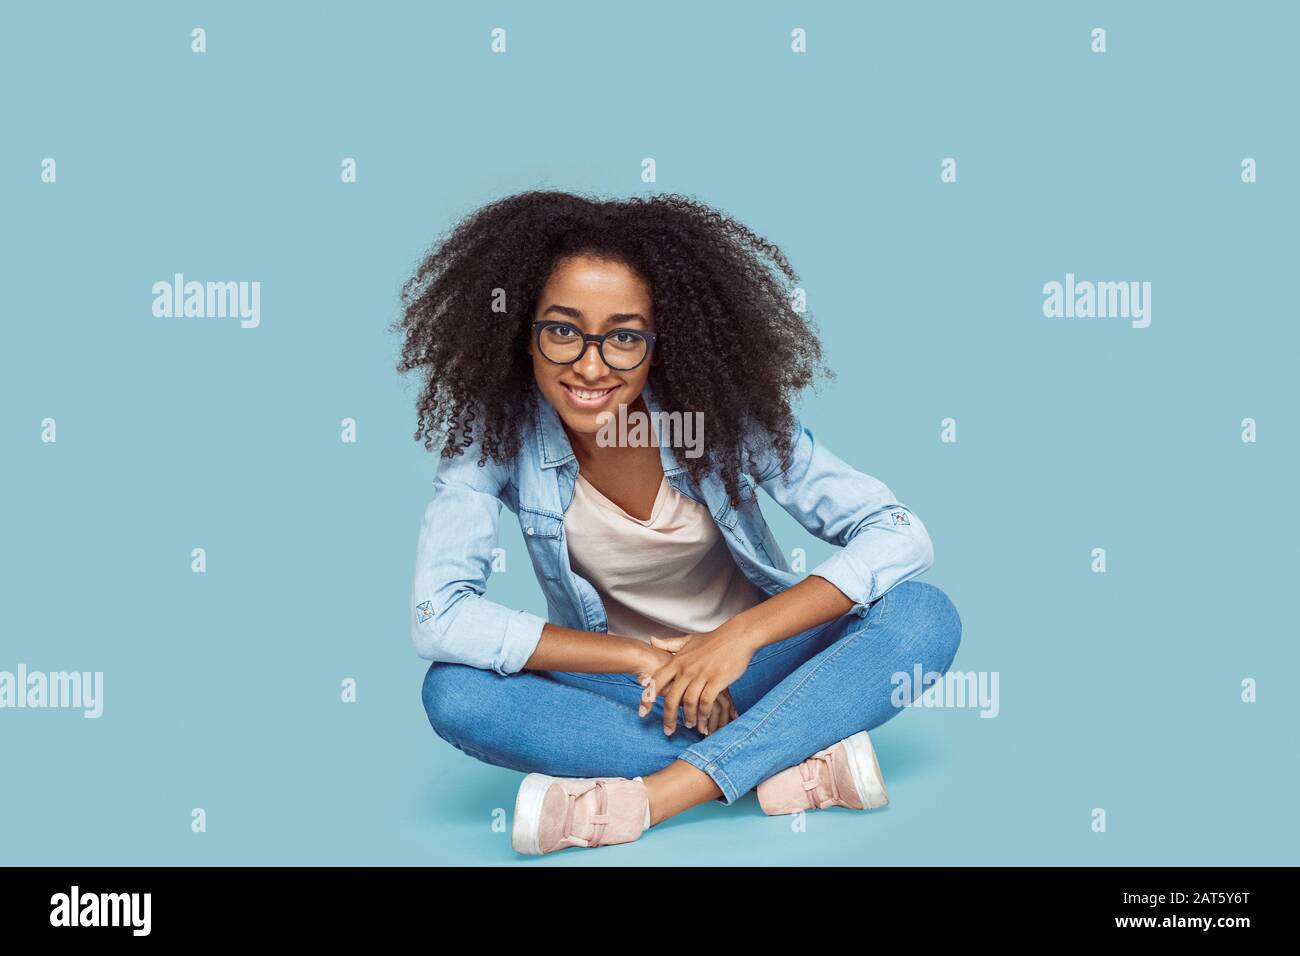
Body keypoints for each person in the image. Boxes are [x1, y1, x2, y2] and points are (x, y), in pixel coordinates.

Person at [392, 190, 962, 855]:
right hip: (633, 691)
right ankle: (787, 755)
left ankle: (656, 797)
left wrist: (739, 639)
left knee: (924, 614)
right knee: (456, 694)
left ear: (659, 347)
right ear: (525, 332)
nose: (591, 363)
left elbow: (900, 533)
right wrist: (641, 657)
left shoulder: (715, 415)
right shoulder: (492, 438)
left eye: (625, 337)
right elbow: (439, 615)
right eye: (563, 329)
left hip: (756, 667)